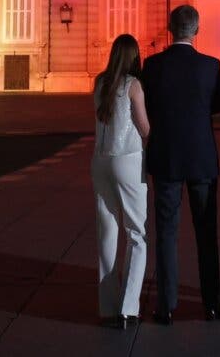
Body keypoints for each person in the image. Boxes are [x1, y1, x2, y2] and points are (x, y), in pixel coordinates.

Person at [141, 4, 220, 324]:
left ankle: (166, 305)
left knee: (166, 233)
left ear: (170, 28)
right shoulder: (210, 65)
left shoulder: (152, 65)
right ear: (197, 29)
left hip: (166, 155)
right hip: (202, 157)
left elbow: (147, 104)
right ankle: (212, 304)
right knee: (206, 233)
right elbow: (217, 105)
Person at [91, 34, 151, 329]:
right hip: (127, 158)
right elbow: (143, 126)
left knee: (107, 232)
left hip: (100, 160)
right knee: (137, 234)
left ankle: (108, 306)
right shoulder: (133, 85)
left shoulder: (100, 83)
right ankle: (129, 307)